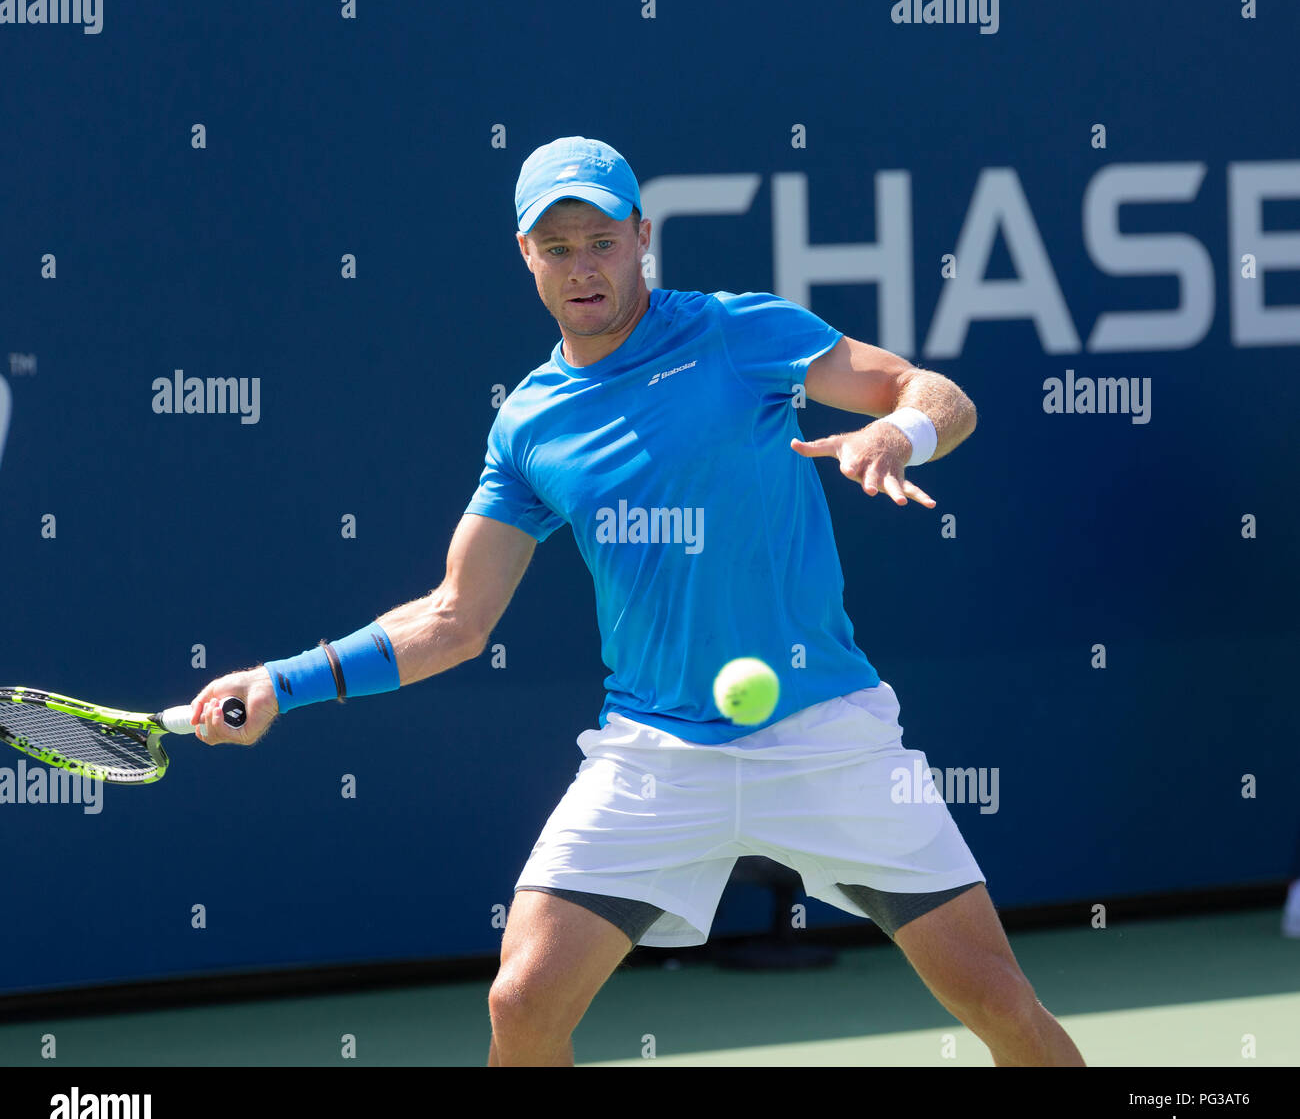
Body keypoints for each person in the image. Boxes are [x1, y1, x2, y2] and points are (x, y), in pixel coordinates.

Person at [190, 136, 1085, 1068]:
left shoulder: (740, 334)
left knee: (998, 1003)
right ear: (525, 256)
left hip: (825, 732)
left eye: (603, 241)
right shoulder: (530, 423)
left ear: (642, 237)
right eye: (558, 246)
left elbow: (937, 394)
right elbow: (455, 619)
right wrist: (280, 683)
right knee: (524, 1001)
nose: (584, 267)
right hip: (653, 754)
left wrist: (898, 434)